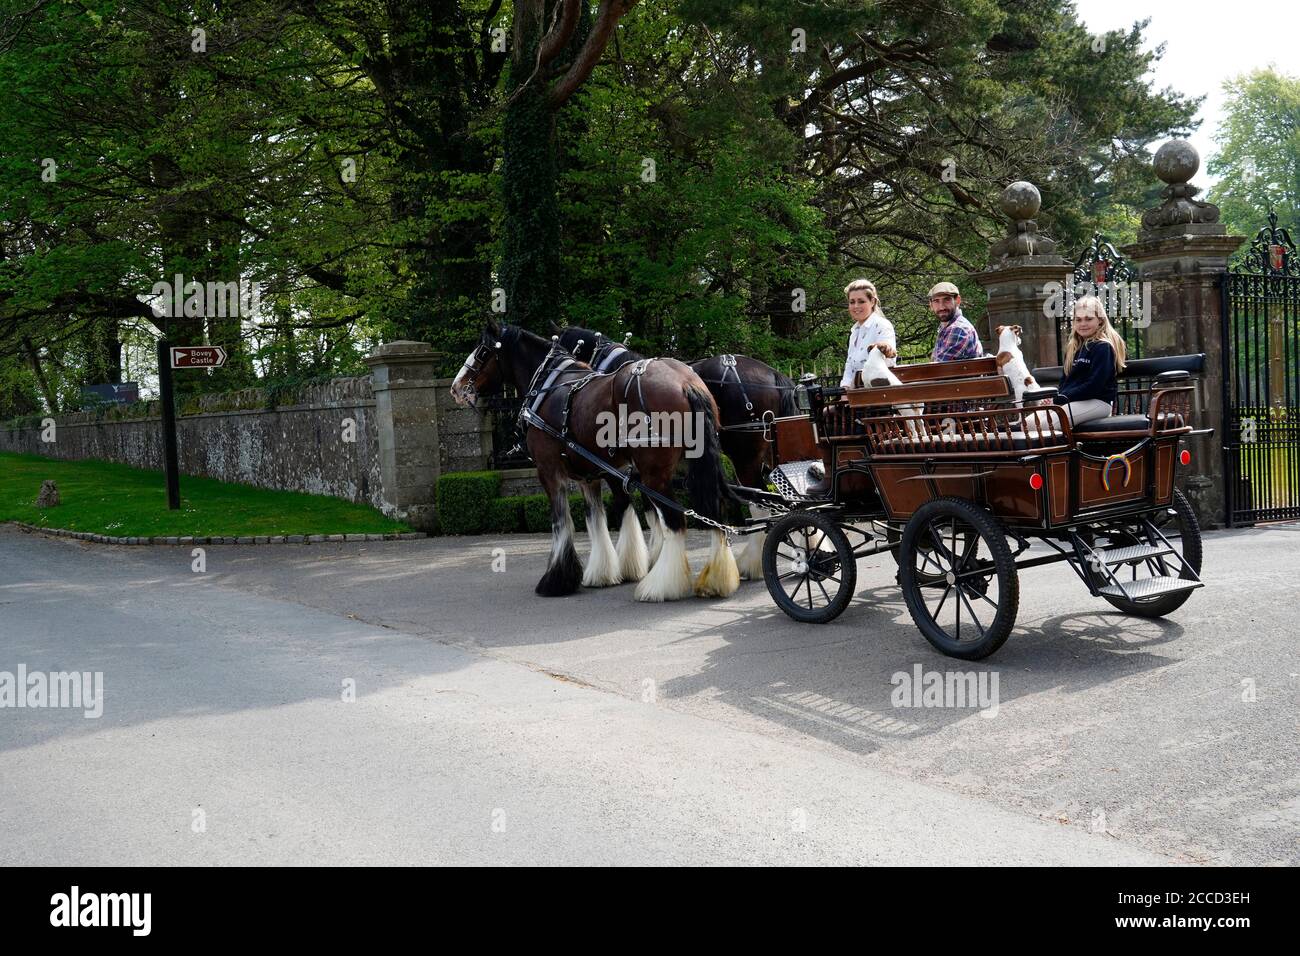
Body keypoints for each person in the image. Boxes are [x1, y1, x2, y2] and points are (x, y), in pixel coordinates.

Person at [1055, 295, 1126, 428]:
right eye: (1079, 320)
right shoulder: (1073, 349)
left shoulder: (1103, 347)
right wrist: (1055, 398)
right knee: (1028, 422)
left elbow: (1094, 386)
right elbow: (1064, 381)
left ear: (1100, 320)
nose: (1083, 324)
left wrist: (1061, 398)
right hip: (1071, 403)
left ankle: (1065, 448)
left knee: (1043, 424)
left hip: (1098, 403)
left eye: (1089, 319)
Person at [840, 278, 897, 388]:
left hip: (878, 392)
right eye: (852, 302)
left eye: (861, 301)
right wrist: (845, 389)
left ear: (872, 302)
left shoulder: (882, 325)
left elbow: (889, 361)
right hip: (856, 393)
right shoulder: (854, 332)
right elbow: (850, 366)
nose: (856, 306)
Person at [929, 281, 983, 362]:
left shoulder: (959, 328)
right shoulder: (946, 328)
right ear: (931, 305)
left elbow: (939, 369)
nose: (941, 307)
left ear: (957, 300)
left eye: (946, 300)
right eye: (936, 301)